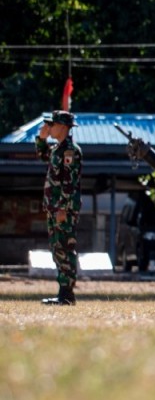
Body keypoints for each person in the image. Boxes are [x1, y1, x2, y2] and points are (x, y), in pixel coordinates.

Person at [37, 111, 82, 306]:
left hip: (63, 209)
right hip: (54, 209)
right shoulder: (57, 149)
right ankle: (63, 293)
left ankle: (67, 294)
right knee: (57, 249)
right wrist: (41, 139)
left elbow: (68, 183)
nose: (50, 127)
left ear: (63, 126)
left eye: (52, 124)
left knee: (65, 247)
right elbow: (43, 156)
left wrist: (63, 208)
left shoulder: (70, 151)